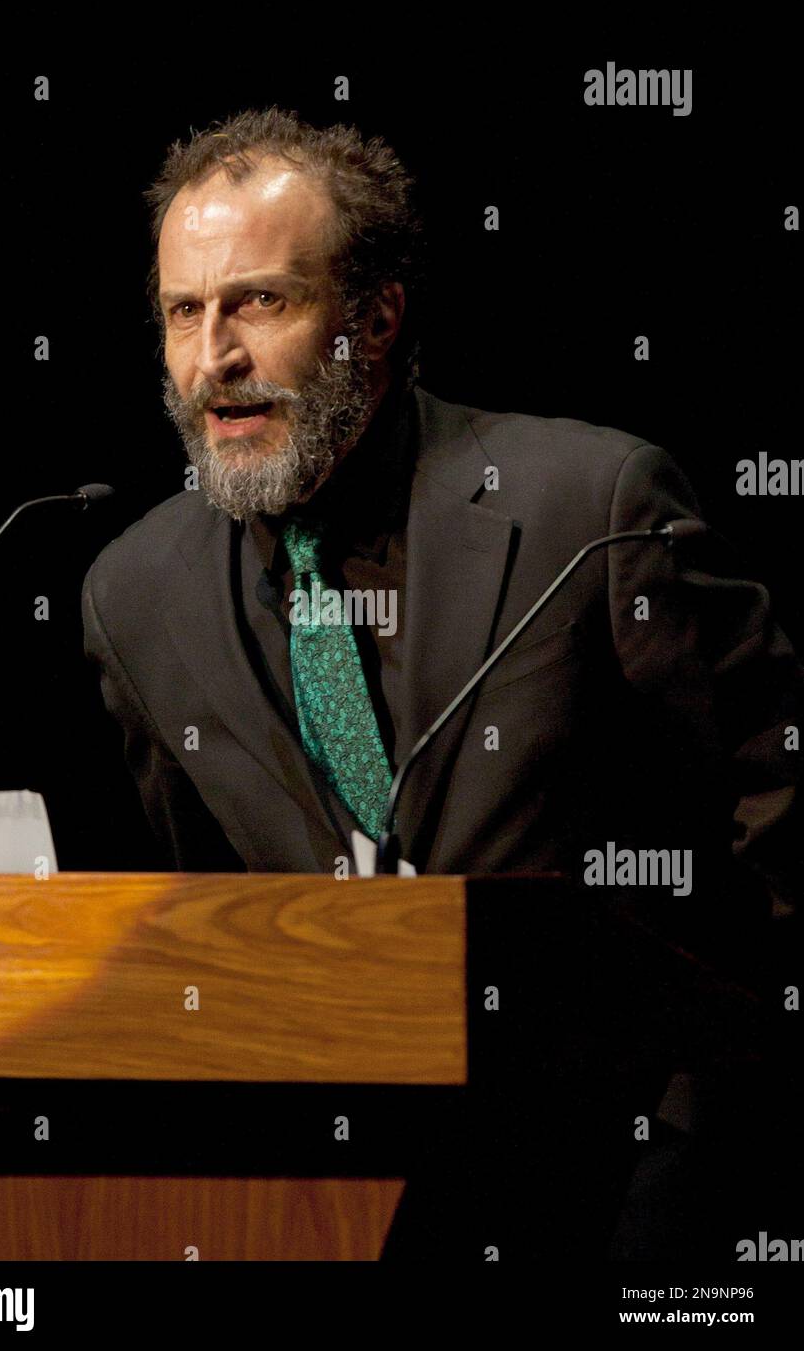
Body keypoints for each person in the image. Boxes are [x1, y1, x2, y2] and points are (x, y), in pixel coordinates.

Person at [82, 107, 802, 1258]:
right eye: (183, 310)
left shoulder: (590, 505)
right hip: (345, 1194)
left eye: (259, 301)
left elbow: (775, 827)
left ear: (373, 318)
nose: (212, 356)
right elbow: (213, 912)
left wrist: (712, 1134)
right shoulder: (135, 591)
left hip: (639, 1182)